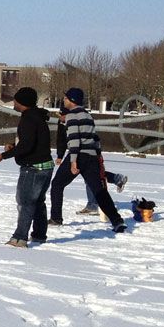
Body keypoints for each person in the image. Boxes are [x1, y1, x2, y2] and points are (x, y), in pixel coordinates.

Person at [49, 88, 126, 233]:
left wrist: (73, 161)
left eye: (65, 98)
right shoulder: (87, 115)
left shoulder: (72, 116)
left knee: (57, 184)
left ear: (72, 100)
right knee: (99, 191)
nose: (63, 100)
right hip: (91, 157)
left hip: (79, 155)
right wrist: (98, 157)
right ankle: (117, 221)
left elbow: (74, 140)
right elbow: (95, 138)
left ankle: (56, 218)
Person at [0, 87, 54, 247]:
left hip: (33, 168)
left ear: (22, 102)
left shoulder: (29, 119)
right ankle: (39, 235)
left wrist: (3, 156)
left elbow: (26, 145)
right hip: (46, 166)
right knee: (38, 202)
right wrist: (13, 146)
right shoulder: (37, 117)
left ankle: (19, 238)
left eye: (16, 100)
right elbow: (31, 141)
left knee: (25, 202)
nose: (14, 102)